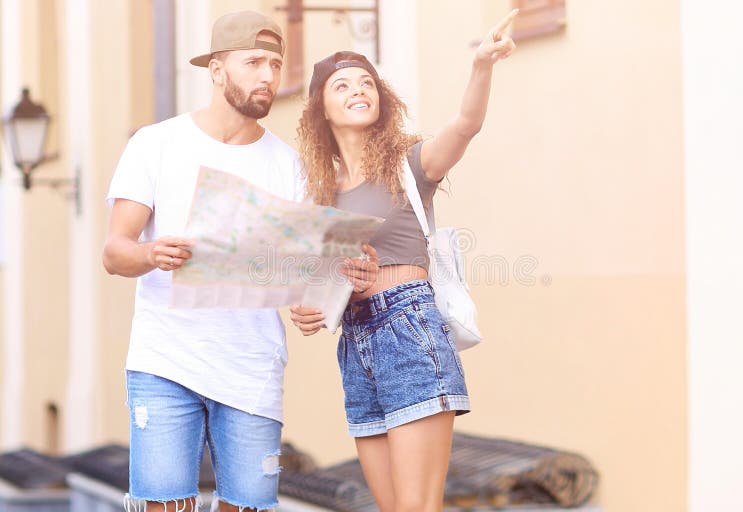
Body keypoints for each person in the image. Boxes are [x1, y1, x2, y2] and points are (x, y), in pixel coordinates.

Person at [102, 11, 377, 512]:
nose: (268, 76)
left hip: (252, 367)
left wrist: (317, 301)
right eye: (254, 62)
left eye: (275, 64)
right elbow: (115, 252)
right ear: (216, 70)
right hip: (164, 361)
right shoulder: (156, 144)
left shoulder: (288, 164)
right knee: (164, 507)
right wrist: (149, 252)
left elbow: (303, 272)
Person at [289, 9, 518, 512]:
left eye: (366, 82)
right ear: (321, 109)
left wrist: (482, 65)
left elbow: (466, 126)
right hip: (354, 345)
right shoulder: (320, 195)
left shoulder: (410, 164)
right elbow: (323, 284)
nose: (357, 90)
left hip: (408, 330)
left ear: (382, 97)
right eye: (342, 85)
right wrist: (309, 310)